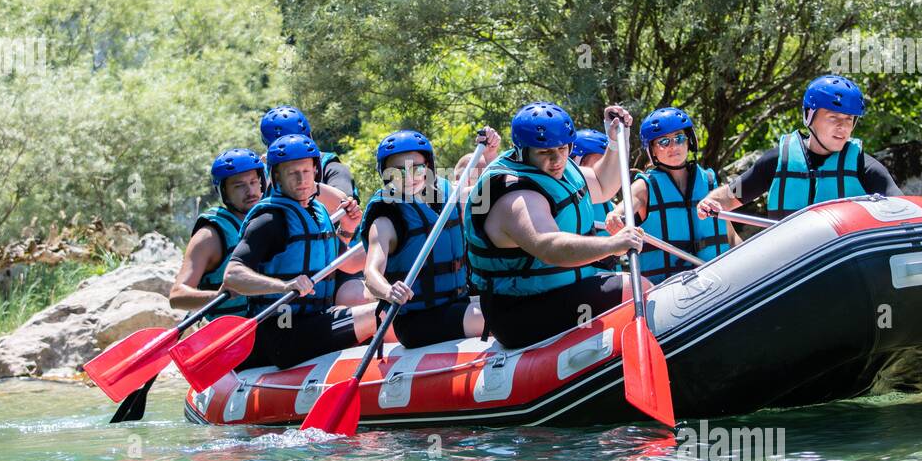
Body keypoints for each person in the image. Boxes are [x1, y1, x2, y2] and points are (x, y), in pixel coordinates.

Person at [463, 102, 648, 349]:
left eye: (562, 148)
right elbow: (549, 246)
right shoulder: (515, 196)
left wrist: (615, 141)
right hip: (518, 312)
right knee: (633, 289)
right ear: (522, 151)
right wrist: (612, 244)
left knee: (633, 286)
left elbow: (604, 184)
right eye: (544, 152)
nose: (557, 159)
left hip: (559, 292)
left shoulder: (559, 169)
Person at [222, 134, 377, 370]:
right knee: (382, 313)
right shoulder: (269, 220)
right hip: (283, 331)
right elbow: (232, 276)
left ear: (315, 171)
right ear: (276, 177)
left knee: (384, 304)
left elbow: (349, 265)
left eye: (306, 171)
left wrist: (348, 230)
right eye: (292, 173)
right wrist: (284, 286)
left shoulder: (318, 213)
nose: (302, 179)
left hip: (317, 320)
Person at [361, 127, 500, 346]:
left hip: (459, 303)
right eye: (398, 171)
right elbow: (371, 273)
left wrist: (489, 153)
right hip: (417, 321)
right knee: (499, 318)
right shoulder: (386, 218)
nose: (409, 177)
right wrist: (389, 291)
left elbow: (484, 191)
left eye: (416, 168)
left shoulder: (447, 195)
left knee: (508, 304)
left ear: (428, 167)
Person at [697, 74, 902, 221]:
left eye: (849, 119)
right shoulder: (777, 162)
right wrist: (711, 202)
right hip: (794, 267)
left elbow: (902, 205)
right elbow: (731, 195)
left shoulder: (863, 166)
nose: (843, 127)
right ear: (809, 116)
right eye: (833, 117)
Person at [604, 108, 734, 283]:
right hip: (669, 288)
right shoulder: (644, 187)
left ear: (690, 142)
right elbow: (619, 215)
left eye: (679, 138)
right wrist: (614, 219)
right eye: (664, 142)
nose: (673, 146)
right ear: (652, 151)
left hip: (717, 275)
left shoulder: (709, 181)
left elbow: (731, 236)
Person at [259, 104, 367, 305]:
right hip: (290, 265)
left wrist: (303, 183)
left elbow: (345, 205)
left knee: (354, 297)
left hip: (340, 259)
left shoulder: (333, 167)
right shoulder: (266, 175)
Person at [170, 148, 266, 319]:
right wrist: (217, 296)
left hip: (272, 326)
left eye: (253, 182)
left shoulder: (270, 220)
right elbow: (177, 297)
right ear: (224, 192)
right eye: (239, 186)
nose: (250, 191)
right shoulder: (209, 236)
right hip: (233, 337)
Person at [572, 128, 615, 235]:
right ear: (576, 162)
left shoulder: (613, 209)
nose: (604, 171)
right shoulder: (560, 204)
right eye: (599, 164)